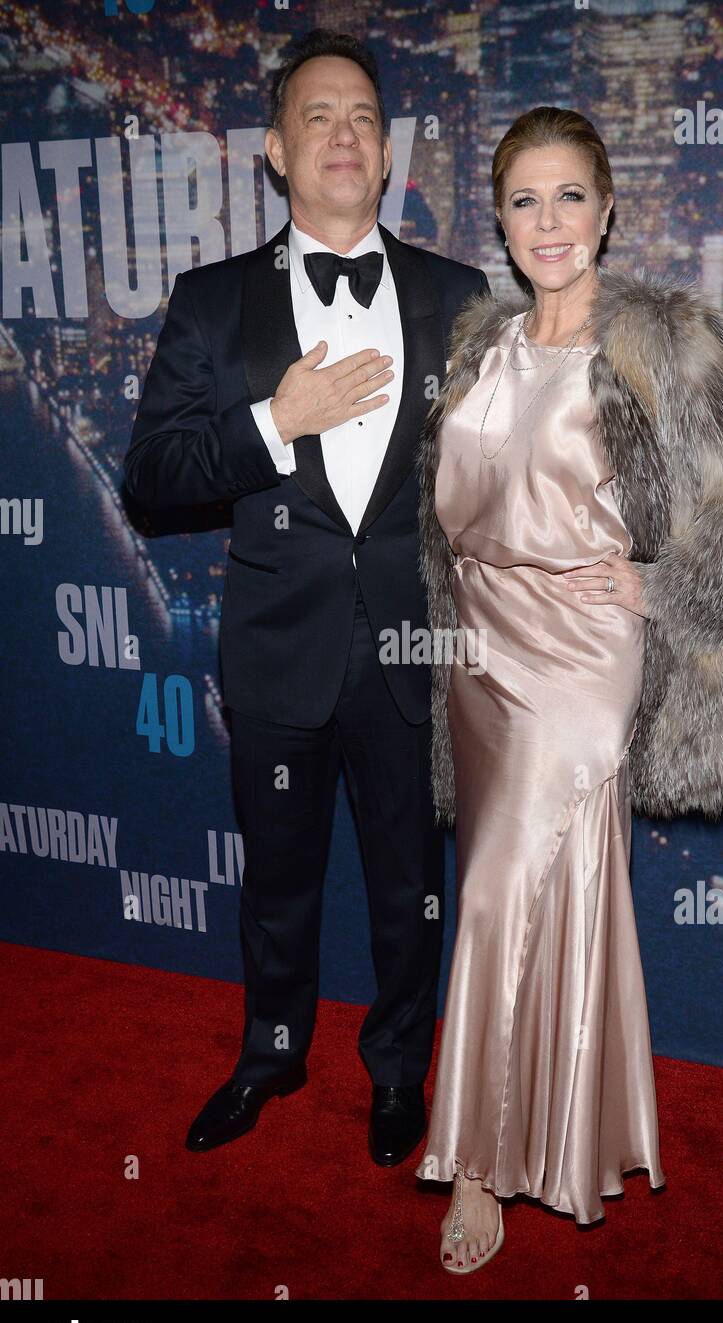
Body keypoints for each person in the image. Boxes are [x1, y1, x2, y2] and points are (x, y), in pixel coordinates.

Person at [414, 105, 723, 1271]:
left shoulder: (659, 337)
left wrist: (667, 585)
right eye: (522, 200)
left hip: (582, 662)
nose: (547, 222)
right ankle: (546, 1127)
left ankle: (482, 1165)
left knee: (503, 892)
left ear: (606, 210)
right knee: (518, 890)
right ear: (499, 220)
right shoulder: (477, 344)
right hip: (481, 657)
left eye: (567, 197)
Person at [123, 29, 488, 1165]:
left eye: (363, 120)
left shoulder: (459, 294)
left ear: (387, 156)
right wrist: (277, 420)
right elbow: (151, 480)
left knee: (405, 890)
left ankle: (396, 1074)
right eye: (318, 118)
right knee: (275, 882)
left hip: (407, 654)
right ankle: (270, 1053)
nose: (342, 135)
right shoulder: (211, 302)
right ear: (276, 154)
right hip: (277, 655)